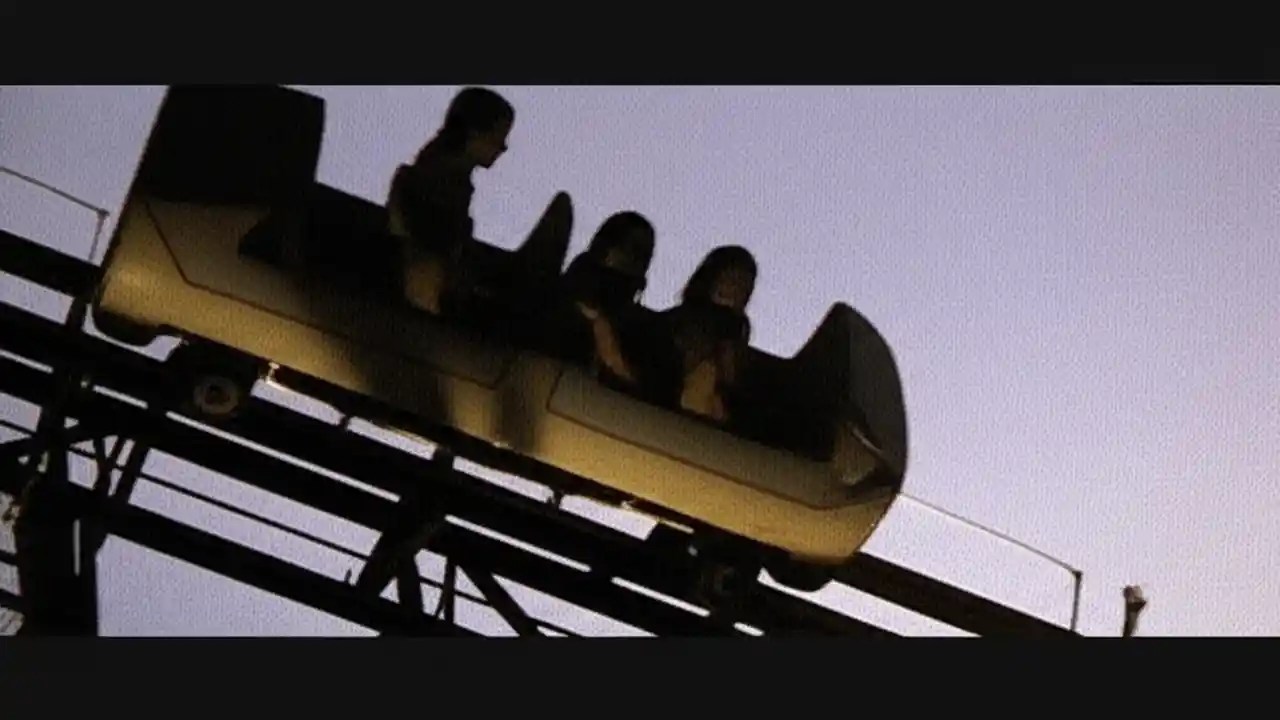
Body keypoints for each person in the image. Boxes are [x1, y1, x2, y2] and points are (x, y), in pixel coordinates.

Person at [387, 87, 515, 314]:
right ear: (476, 131)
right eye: (499, 136)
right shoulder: (433, 184)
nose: (503, 147)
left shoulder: (447, 182)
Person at [550, 212, 659, 394]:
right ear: (606, 248)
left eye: (646, 255)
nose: (640, 261)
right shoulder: (563, 297)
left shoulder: (643, 326)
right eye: (634, 250)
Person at [662, 245, 758, 425]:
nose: (737, 291)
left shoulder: (736, 343)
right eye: (731, 280)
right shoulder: (674, 323)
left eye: (745, 286)